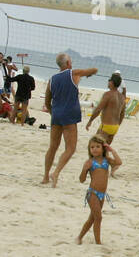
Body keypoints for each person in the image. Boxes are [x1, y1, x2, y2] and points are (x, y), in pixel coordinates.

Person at [42, 52, 98, 186]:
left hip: (56, 114)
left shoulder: (52, 79)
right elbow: (94, 70)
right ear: (68, 63)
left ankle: (45, 176)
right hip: (69, 114)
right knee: (70, 148)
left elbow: (47, 101)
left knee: (53, 147)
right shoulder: (73, 73)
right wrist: (86, 73)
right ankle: (55, 173)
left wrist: (52, 113)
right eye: (70, 61)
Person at [77, 135, 122, 244]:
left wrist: (112, 150)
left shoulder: (107, 160)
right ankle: (98, 242)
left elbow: (119, 162)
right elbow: (81, 180)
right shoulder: (90, 162)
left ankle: (79, 237)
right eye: (92, 147)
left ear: (103, 148)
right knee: (99, 217)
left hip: (102, 194)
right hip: (92, 193)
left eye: (98, 146)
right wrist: (84, 169)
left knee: (92, 218)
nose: (95, 149)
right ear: (89, 150)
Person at [87, 72, 126, 143]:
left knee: (96, 145)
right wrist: (117, 125)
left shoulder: (108, 94)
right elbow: (122, 114)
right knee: (105, 149)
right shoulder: (122, 97)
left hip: (106, 126)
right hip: (115, 127)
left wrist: (90, 121)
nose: (108, 81)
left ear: (112, 82)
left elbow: (98, 109)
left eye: (109, 80)